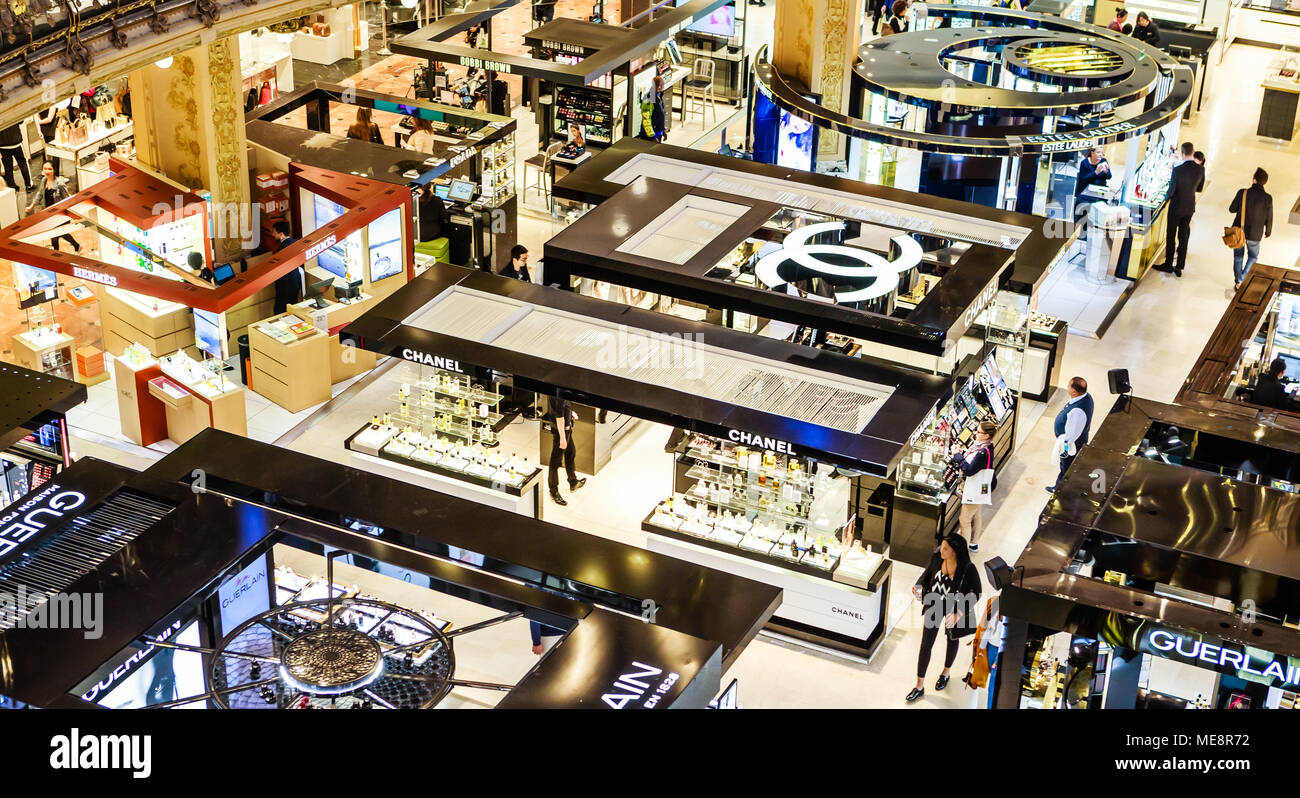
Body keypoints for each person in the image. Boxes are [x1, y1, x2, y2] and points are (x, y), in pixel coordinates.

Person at [906, 533, 982, 703]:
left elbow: (977, 593)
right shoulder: (937, 557)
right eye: (942, 546)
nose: (942, 550)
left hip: (954, 608)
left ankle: (946, 672)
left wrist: (959, 614)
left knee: (952, 639)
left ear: (955, 551)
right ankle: (919, 685)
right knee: (926, 644)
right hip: (935, 604)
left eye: (946, 548)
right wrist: (918, 586)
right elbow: (927, 575)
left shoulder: (968, 568)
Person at [1155, 142, 1204, 277]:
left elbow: (1171, 191)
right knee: (1183, 236)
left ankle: (1168, 264)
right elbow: (1199, 188)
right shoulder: (1201, 169)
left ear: (1182, 153)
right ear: (1193, 152)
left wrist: (1163, 199)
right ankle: (1179, 267)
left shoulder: (1177, 170)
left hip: (1176, 207)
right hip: (1189, 208)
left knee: (1171, 235)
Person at [951, 420, 997, 553]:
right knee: (976, 514)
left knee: (964, 520)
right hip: (982, 487)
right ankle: (974, 543)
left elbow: (969, 470)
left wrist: (957, 456)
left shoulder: (983, 452)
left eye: (978, 432)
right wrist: (964, 452)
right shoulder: (987, 447)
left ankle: (962, 551)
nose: (975, 434)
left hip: (974, 490)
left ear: (986, 435)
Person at [1229, 167, 1273, 289]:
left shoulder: (1242, 192)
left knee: (1238, 257)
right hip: (1256, 234)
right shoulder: (1268, 198)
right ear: (1264, 182)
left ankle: (1238, 280)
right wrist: (1268, 231)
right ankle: (1242, 279)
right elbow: (1269, 217)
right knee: (1253, 257)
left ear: (1254, 180)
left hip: (1239, 232)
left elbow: (1231, 209)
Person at [1048, 376, 1093, 493]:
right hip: (1073, 441)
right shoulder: (1086, 397)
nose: (1067, 387)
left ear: (1074, 391)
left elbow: (1072, 433)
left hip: (1072, 445)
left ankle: (1060, 489)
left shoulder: (1078, 411)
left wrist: (1064, 447)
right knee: (1067, 467)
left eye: (1068, 385)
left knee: (1066, 467)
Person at [24, 162, 79, 252]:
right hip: (49, 214)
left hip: (59, 214)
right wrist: (31, 206)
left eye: (49, 169)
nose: (47, 171)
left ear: (54, 170)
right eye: (45, 168)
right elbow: (39, 194)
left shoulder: (60, 184)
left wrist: (72, 214)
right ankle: (73, 246)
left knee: (56, 234)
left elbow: (67, 200)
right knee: (56, 234)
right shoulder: (44, 180)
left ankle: (58, 252)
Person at [545, 393, 586, 506]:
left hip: (565, 428)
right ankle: (553, 491)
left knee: (571, 452)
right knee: (555, 462)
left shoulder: (559, 387)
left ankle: (573, 481)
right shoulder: (560, 391)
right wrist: (562, 437)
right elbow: (559, 415)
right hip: (561, 431)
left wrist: (570, 412)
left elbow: (560, 407)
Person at [269, 220, 305, 314]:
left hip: (285, 284)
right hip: (295, 280)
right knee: (292, 307)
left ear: (281, 234)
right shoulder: (296, 242)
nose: (272, 234)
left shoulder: (280, 251)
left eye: (274, 232)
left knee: (281, 310)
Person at [1073, 146, 1110, 214]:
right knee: (1083, 205)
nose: (1101, 155)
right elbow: (1083, 179)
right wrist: (1095, 173)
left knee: (1102, 206)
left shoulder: (1103, 161)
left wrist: (1106, 171)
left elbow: (1109, 176)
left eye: (1102, 153)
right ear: (1092, 153)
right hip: (1087, 191)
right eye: (1098, 152)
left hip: (1100, 191)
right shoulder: (1085, 163)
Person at [0, 122, 33, 193]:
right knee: (23, 164)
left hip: (2, 145)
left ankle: (12, 187)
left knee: (8, 167)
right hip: (16, 142)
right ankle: (28, 185)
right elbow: (21, 121)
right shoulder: (11, 111)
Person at [650, 75, 667, 142]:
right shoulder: (650, 100)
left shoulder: (659, 96)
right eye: (662, 85)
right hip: (653, 134)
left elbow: (661, 115)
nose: (663, 86)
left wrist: (663, 130)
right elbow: (647, 120)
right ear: (658, 87)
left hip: (659, 132)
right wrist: (653, 137)